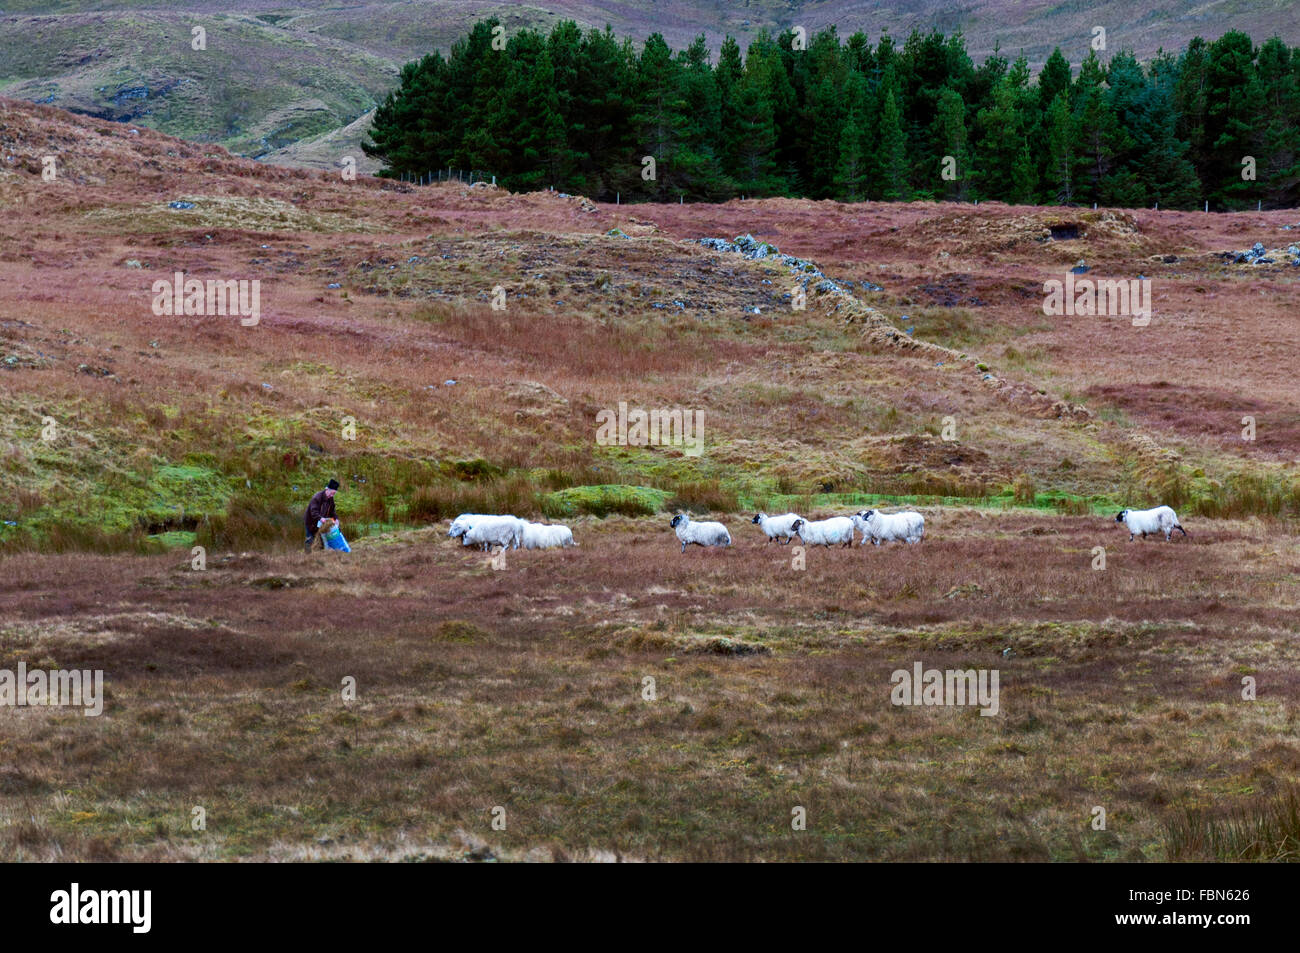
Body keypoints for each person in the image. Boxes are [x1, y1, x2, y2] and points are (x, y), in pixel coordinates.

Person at [304, 479, 340, 552]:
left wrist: (336, 519)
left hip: (320, 523)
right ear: (327, 489)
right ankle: (307, 555)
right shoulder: (317, 497)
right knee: (310, 539)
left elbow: (332, 511)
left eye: (334, 494)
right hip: (311, 522)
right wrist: (320, 518)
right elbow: (313, 512)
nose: (332, 495)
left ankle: (320, 554)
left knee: (321, 540)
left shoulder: (330, 499)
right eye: (331, 493)